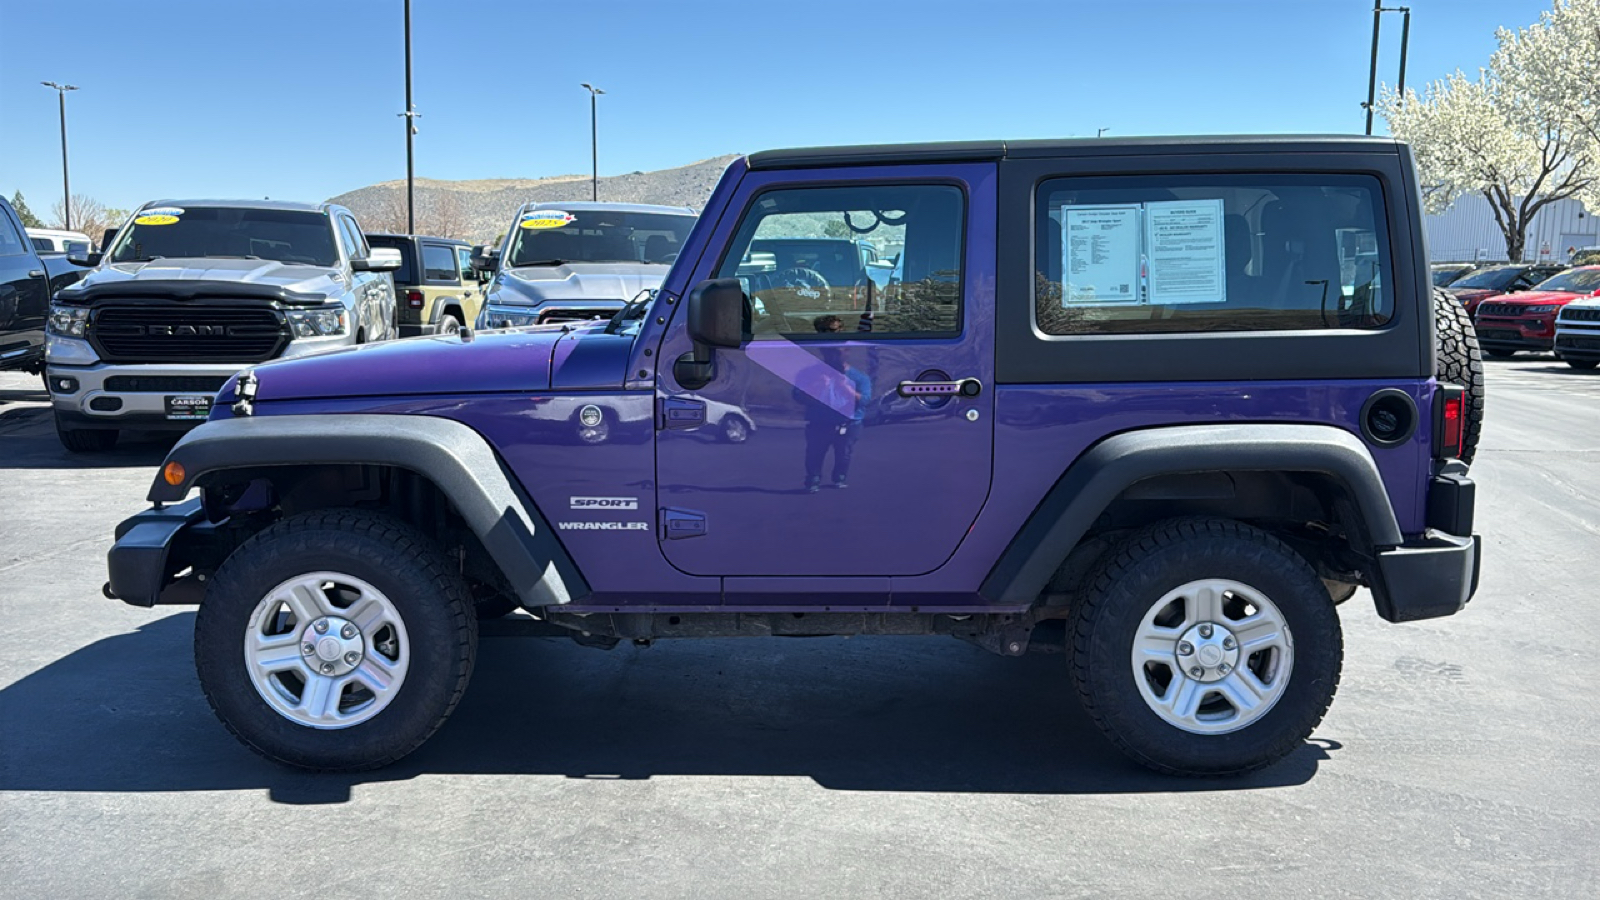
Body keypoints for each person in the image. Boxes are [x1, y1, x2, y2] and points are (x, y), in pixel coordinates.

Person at [799, 316, 872, 493]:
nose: (835, 356)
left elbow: (864, 401)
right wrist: (816, 387)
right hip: (819, 423)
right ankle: (813, 480)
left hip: (849, 423)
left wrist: (846, 388)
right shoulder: (809, 374)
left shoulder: (858, 377)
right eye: (830, 352)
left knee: (844, 454)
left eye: (840, 351)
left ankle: (840, 478)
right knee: (814, 454)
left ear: (847, 352)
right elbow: (798, 397)